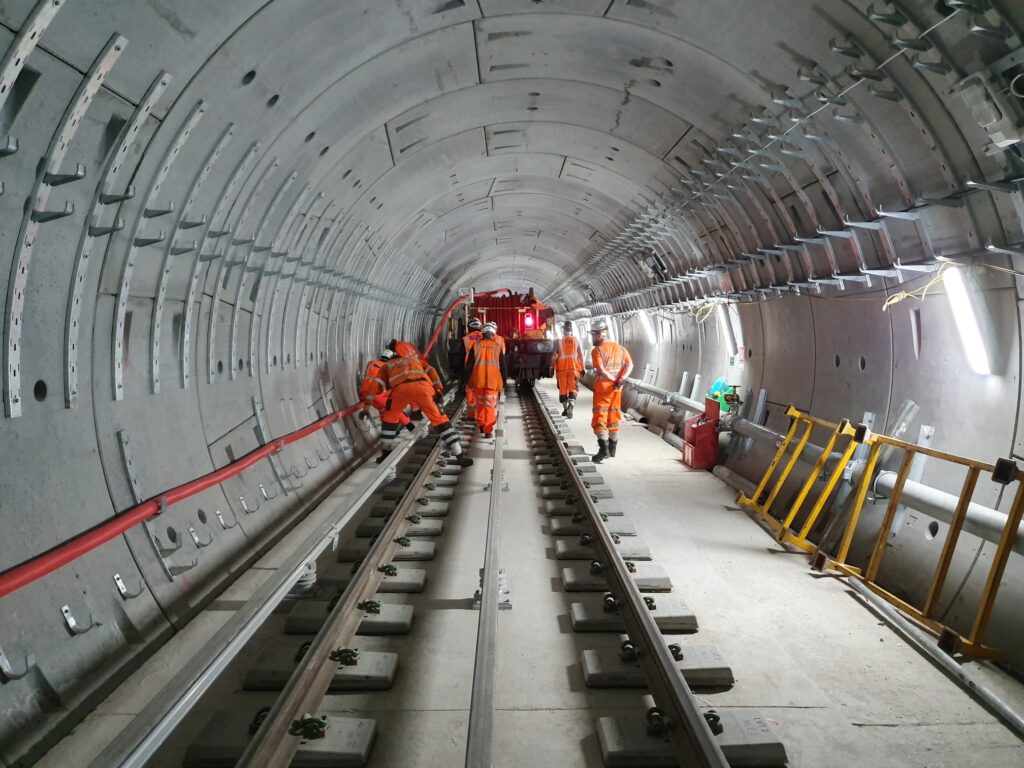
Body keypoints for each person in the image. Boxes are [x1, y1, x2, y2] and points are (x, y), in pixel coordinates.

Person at [378, 340, 471, 466]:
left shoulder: (387, 365)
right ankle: (459, 455)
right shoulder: (415, 361)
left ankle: (386, 453)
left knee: (389, 418)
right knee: (440, 420)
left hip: (401, 391)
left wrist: (384, 395)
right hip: (424, 388)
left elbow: (378, 386)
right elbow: (431, 370)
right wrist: (438, 390)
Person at [589, 319, 632, 463]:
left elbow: (600, 369)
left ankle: (603, 450)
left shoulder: (597, 351)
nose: (592, 338)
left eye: (594, 335)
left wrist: (612, 378)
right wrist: (621, 379)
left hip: (603, 389)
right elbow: (630, 365)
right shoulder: (621, 348)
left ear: (600, 334)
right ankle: (613, 449)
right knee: (614, 417)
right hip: (617, 389)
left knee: (600, 417)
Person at [464, 322, 507, 438]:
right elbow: (503, 366)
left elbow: (469, 365)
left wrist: (466, 380)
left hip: (478, 380)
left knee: (480, 405)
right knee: (489, 406)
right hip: (492, 382)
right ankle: (488, 430)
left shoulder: (476, 346)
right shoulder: (497, 347)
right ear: (493, 334)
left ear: (482, 334)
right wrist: (504, 382)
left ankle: (482, 425)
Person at [359, 350, 412, 429]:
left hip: (364, 392)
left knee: (383, 409)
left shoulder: (371, 363)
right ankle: (410, 426)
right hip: (377, 393)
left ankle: (387, 428)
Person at [552, 321, 584, 418]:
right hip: (574, 369)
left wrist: (551, 367)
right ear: (572, 330)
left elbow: (554, 356)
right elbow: (581, 355)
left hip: (561, 370)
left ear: (563, 330)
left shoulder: (558, 341)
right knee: (573, 389)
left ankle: (565, 409)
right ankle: (571, 405)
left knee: (563, 390)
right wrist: (583, 368)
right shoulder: (577, 341)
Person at [462, 318, 484, 419]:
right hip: (482, 367)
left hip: (470, 367)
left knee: (470, 390)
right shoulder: (485, 337)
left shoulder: (466, 338)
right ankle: (482, 415)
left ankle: (471, 415)